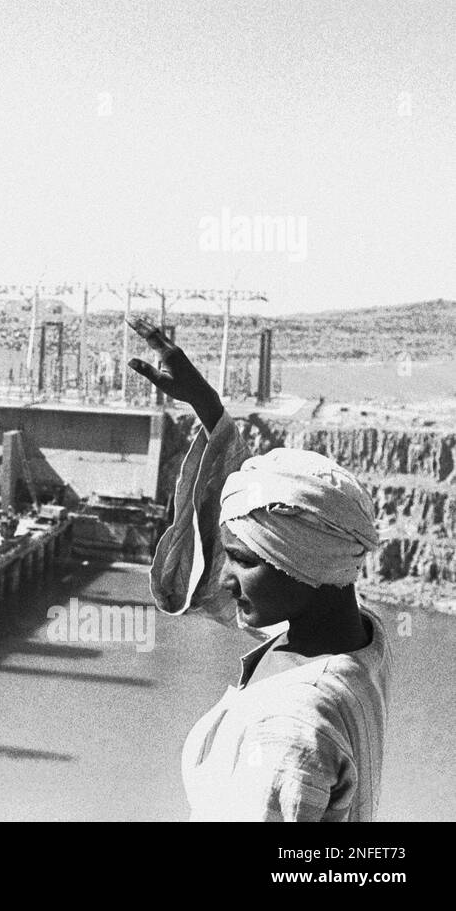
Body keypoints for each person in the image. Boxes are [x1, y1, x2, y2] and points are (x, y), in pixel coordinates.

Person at [127, 317, 390, 822]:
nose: (224, 579)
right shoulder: (358, 635)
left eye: (242, 562)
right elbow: (270, 511)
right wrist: (210, 412)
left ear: (303, 566)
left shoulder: (290, 730)